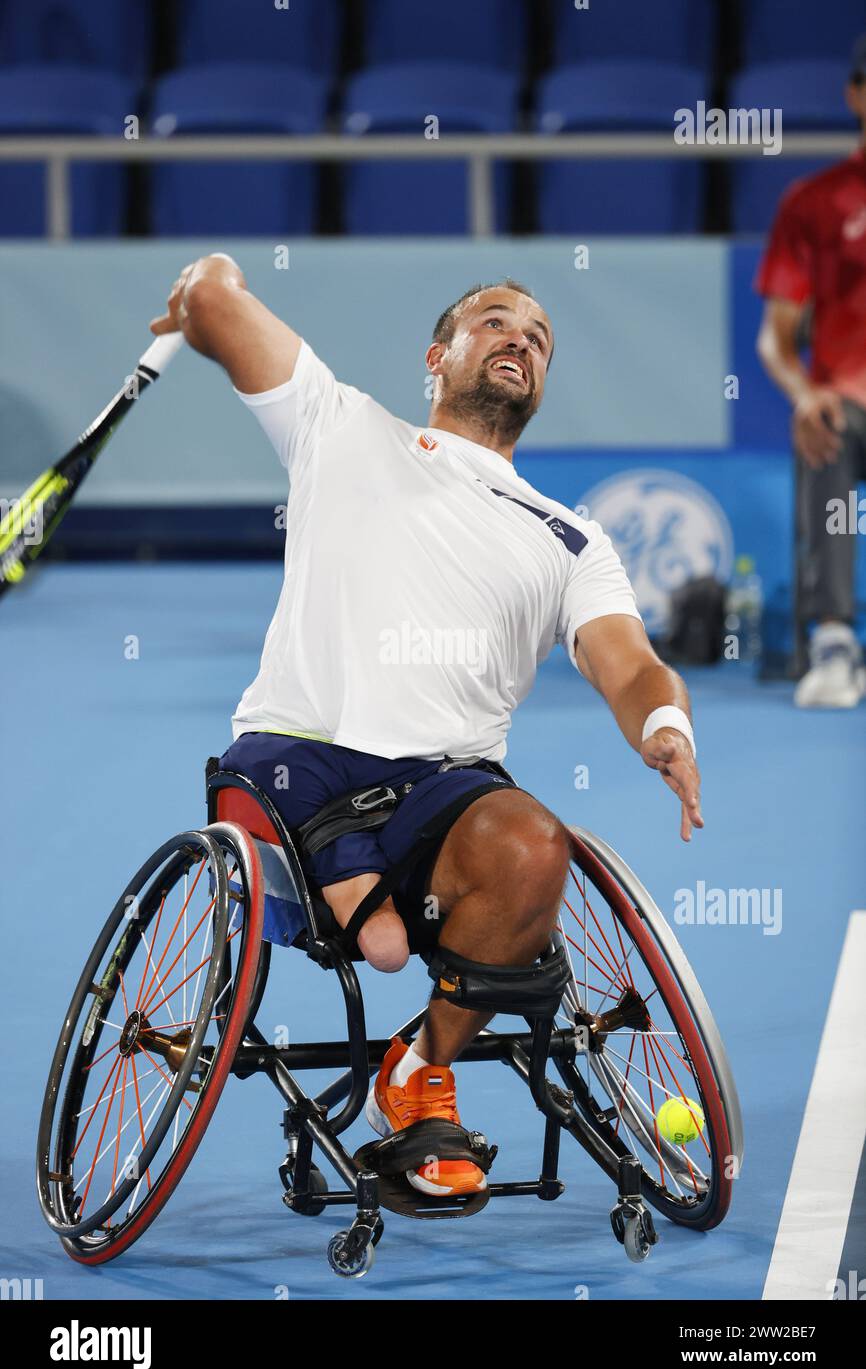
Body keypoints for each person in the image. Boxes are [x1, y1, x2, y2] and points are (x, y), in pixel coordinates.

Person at [151, 258, 703, 1198]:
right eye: (495, 322)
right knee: (384, 944)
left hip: (445, 796)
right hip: (296, 769)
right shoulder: (342, 427)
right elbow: (214, 307)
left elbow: (631, 661)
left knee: (536, 844)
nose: (519, 339)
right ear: (437, 357)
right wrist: (214, 281)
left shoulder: (569, 537)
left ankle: (417, 1068)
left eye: (537, 337)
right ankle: (366, 920)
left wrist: (660, 722)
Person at [756, 35, 866, 708]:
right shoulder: (814, 201)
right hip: (846, 403)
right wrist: (803, 393)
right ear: (856, 95)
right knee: (822, 428)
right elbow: (776, 339)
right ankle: (832, 639)